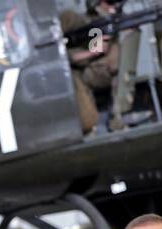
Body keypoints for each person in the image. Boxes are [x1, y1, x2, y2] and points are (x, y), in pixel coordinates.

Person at [61, 0, 145, 134]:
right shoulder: (72, 19)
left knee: (126, 41)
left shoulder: (106, 21)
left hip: (94, 68)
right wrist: (90, 52)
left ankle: (120, 115)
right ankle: (106, 121)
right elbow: (53, 55)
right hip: (75, 74)